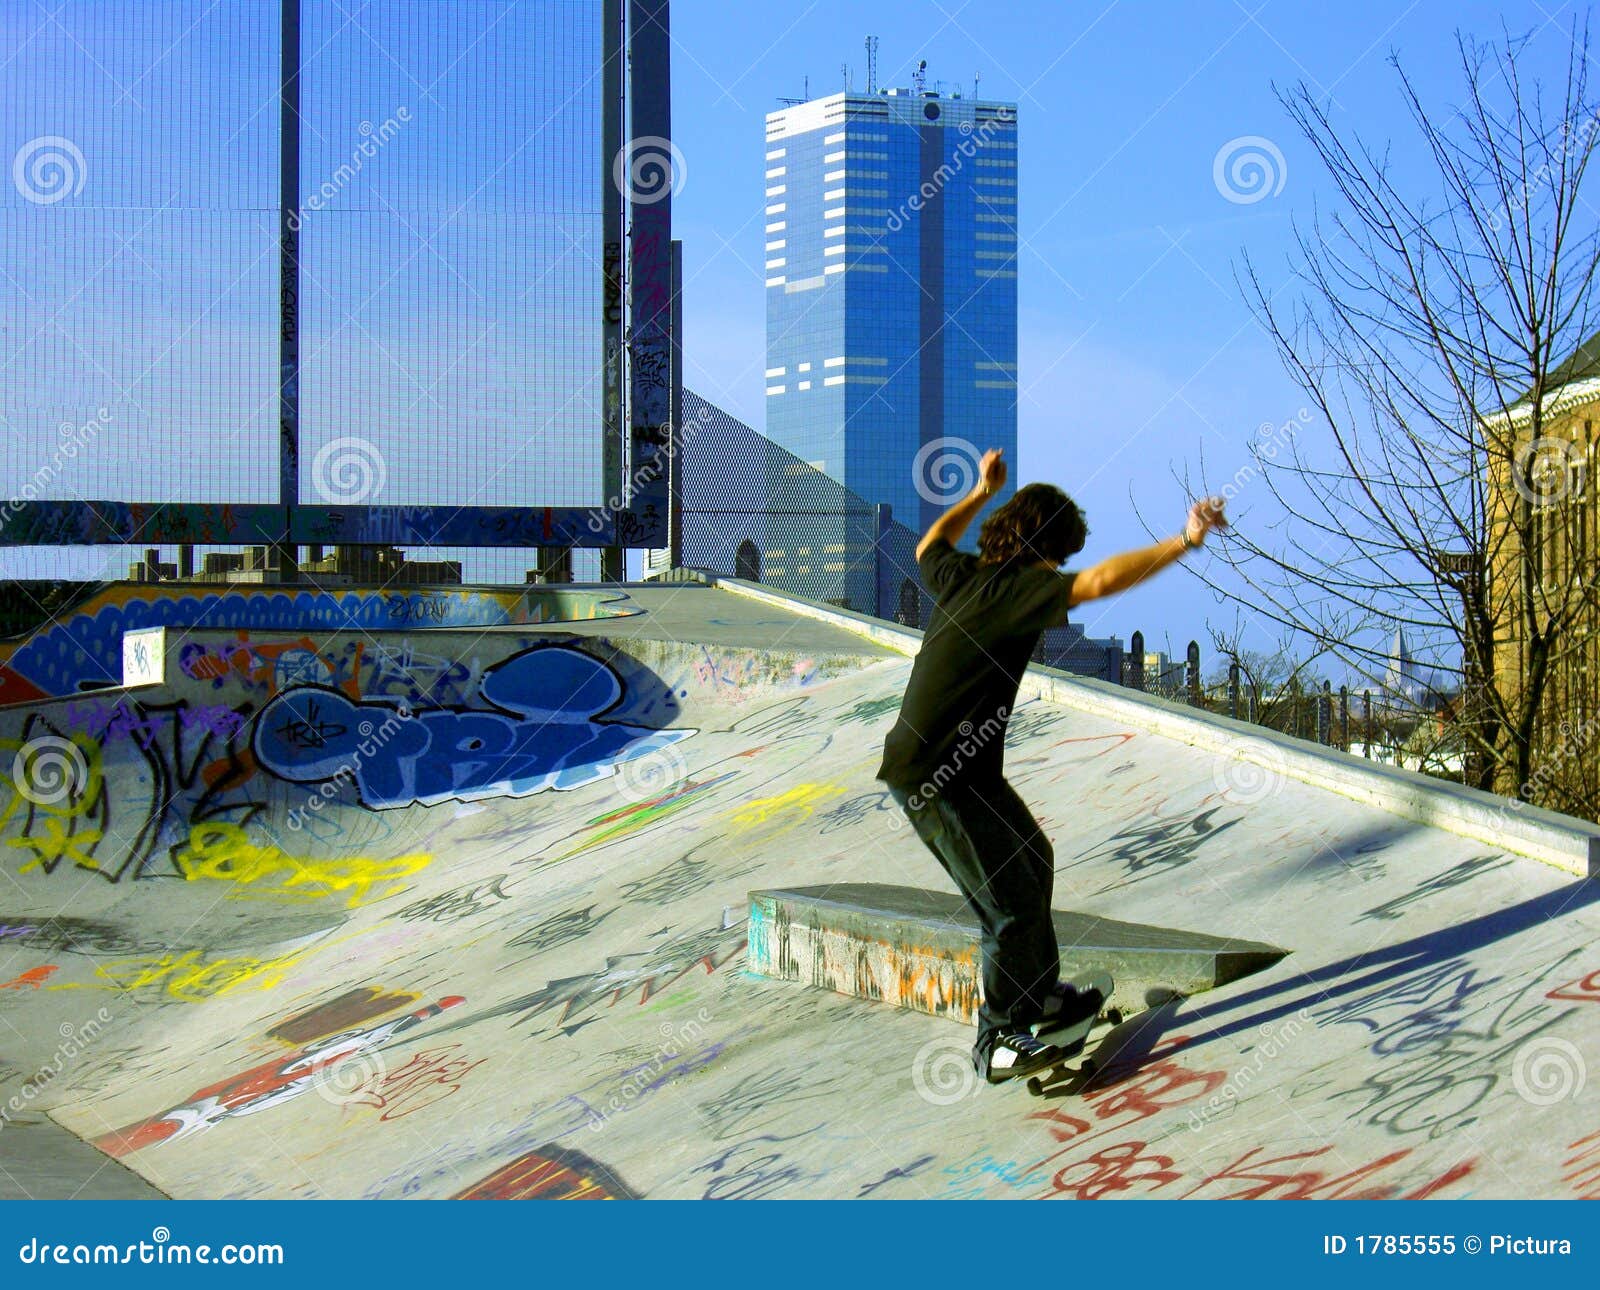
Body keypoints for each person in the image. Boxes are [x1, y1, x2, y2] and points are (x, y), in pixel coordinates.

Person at [877, 447, 1228, 1083]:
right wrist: (1184, 540)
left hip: (963, 769)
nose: (1058, 571)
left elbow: (931, 540)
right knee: (1005, 903)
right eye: (1058, 557)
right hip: (937, 773)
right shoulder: (1019, 587)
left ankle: (1037, 996)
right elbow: (1099, 582)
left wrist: (981, 492)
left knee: (1034, 858)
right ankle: (999, 1040)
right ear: (1045, 549)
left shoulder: (963, 575)